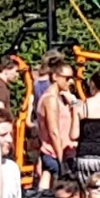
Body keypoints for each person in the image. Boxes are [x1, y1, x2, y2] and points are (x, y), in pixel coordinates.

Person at [36, 61, 77, 190]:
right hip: (55, 153)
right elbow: (54, 131)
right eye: (67, 78)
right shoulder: (50, 99)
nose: (71, 82)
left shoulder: (59, 98)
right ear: (55, 77)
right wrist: (61, 160)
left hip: (59, 153)